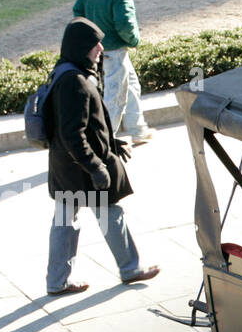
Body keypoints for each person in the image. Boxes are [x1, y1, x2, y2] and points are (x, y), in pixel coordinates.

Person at [44, 17, 158, 296]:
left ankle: (57, 281)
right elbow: (74, 132)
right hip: (81, 167)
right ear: (81, 46)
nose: (100, 48)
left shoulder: (65, 72)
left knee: (65, 221)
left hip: (65, 165)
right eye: (94, 44)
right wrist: (95, 166)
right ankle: (130, 269)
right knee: (109, 213)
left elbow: (82, 125)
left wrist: (111, 143)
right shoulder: (75, 82)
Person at [73, 0, 155, 143]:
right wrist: (134, 40)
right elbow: (125, 26)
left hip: (99, 50)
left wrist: (90, 36)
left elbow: (78, 9)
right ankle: (106, 140)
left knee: (132, 87)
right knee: (115, 97)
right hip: (115, 51)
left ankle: (138, 129)